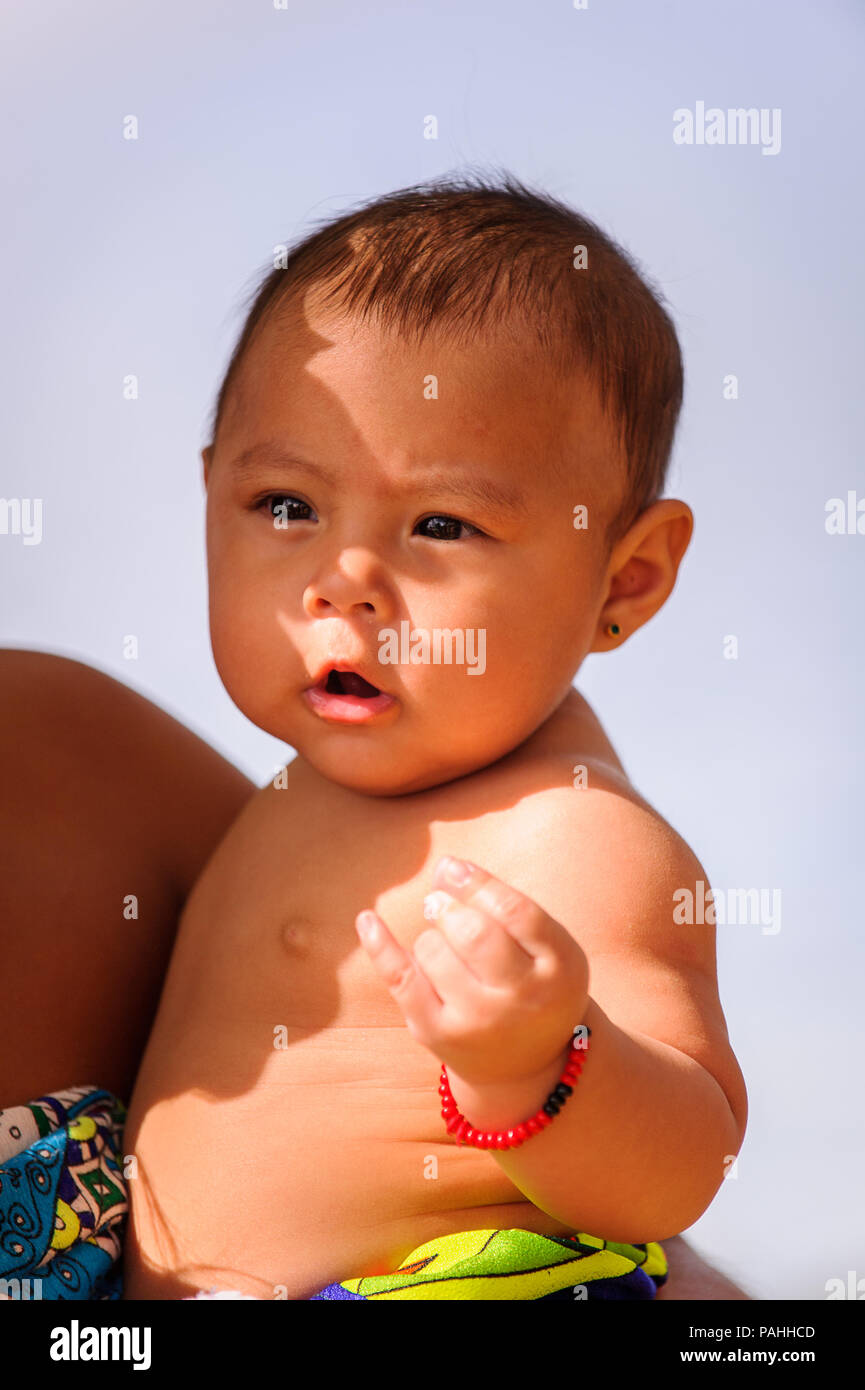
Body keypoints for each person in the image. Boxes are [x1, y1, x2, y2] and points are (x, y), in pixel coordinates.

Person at [3, 174, 752, 1302]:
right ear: (211, 496)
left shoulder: (569, 840)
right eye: (286, 507)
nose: (342, 583)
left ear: (627, 577)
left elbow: (688, 1159)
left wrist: (539, 1066)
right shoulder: (285, 806)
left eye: (441, 525)